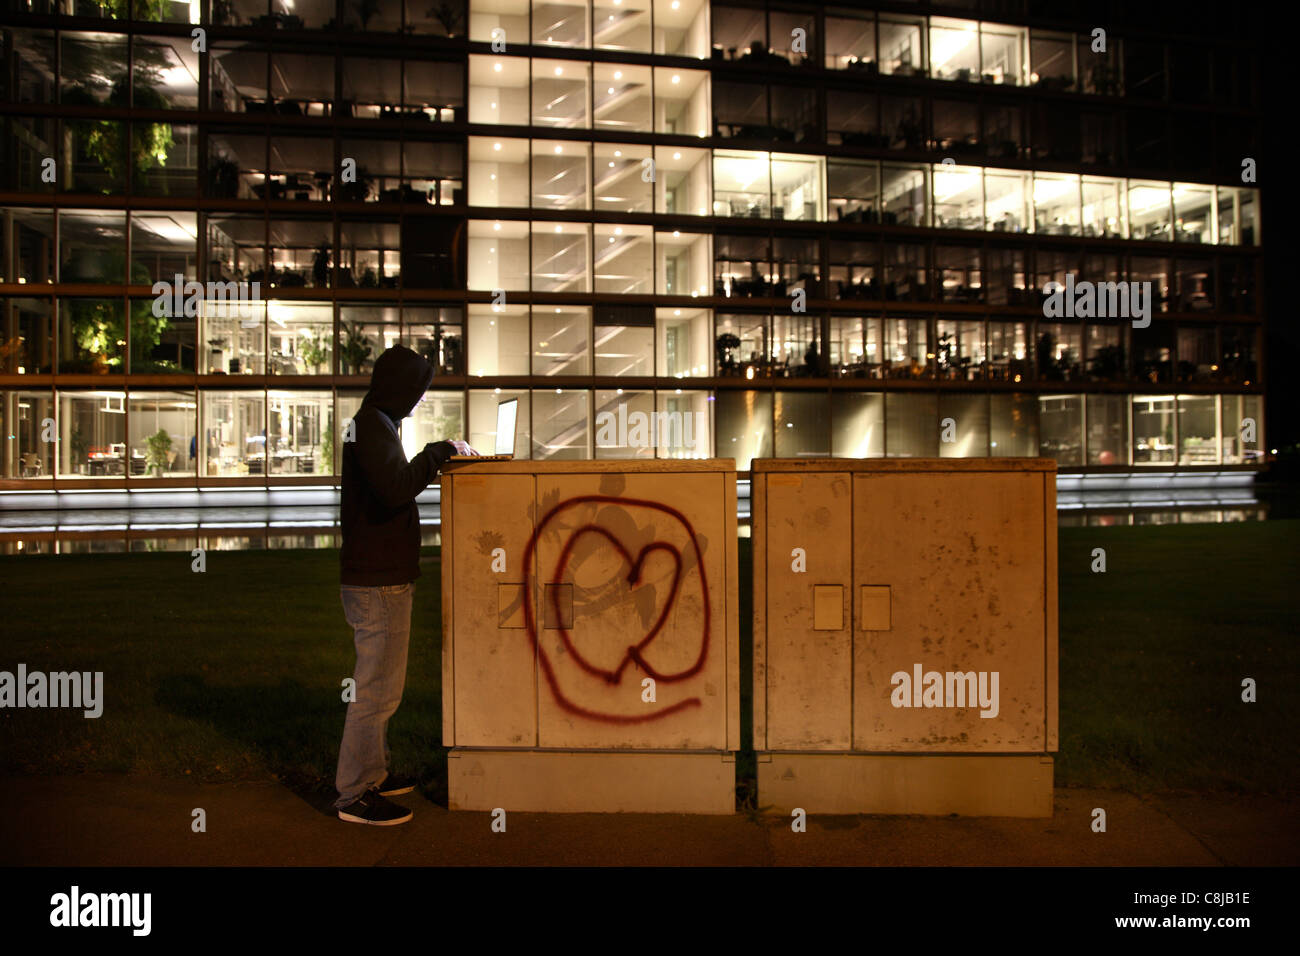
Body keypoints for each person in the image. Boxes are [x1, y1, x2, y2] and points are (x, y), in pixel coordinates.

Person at [334, 344, 477, 825]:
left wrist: (435, 456)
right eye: (416, 390)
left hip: (380, 578)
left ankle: (372, 774)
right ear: (399, 386)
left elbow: (391, 484)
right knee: (375, 692)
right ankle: (354, 792)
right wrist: (439, 452)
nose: (417, 400)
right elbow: (395, 487)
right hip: (378, 583)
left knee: (381, 690)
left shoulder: (376, 423)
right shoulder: (373, 425)